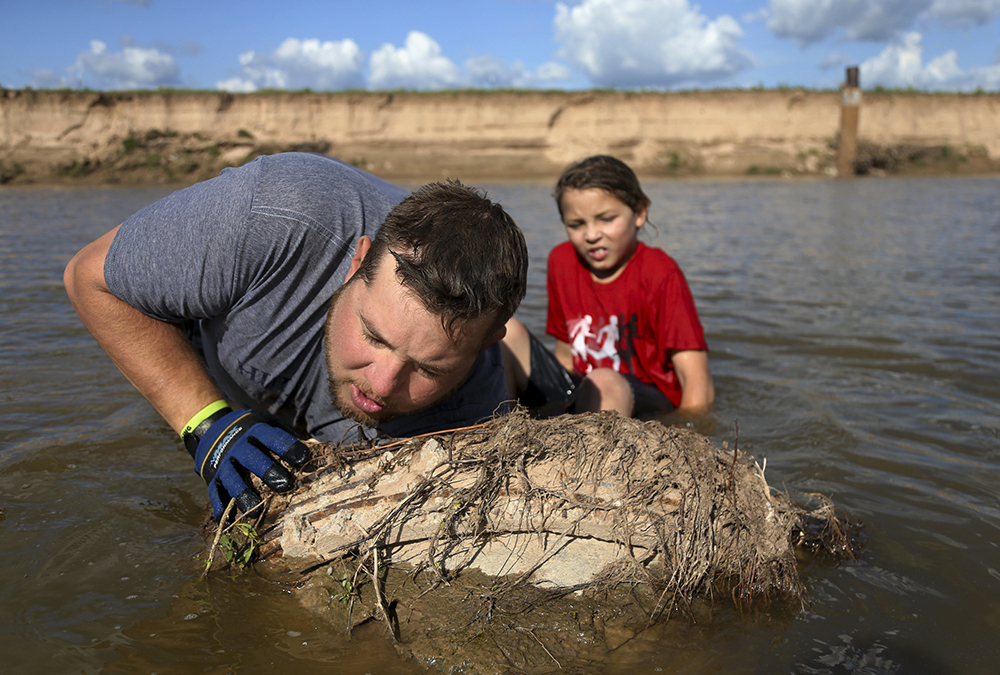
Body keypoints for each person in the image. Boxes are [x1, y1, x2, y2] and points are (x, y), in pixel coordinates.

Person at [64, 152, 528, 520]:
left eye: (428, 367)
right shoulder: (271, 216)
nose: (382, 385)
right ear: (355, 264)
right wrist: (206, 422)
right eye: (374, 336)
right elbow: (90, 278)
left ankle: (520, 352)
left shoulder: (468, 415)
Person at [502, 154, 713, 418]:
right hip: (584, 388)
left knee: (603, 380)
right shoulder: (562, 261)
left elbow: (697, 384)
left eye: (606, 219)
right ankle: (500, 432)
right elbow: (566, 355)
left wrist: (690, 436)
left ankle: (596, 455)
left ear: (639, 212)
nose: (591, 235)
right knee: (507, 332)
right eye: (577, 224)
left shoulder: (660, 272)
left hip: (643, 400)